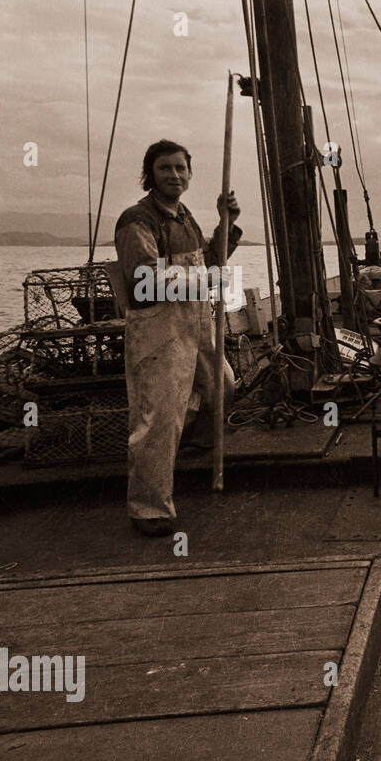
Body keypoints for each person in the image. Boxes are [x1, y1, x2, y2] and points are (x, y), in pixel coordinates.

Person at [114, 139, 241, 538]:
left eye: (181, 168)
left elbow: (213, 261)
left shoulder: (184, 217)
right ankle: (149, 507)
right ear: (150, 174)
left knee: (222, 385)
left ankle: (195, 448)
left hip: (195, 322)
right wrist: (208, 279)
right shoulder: (137, 219)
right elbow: (145, 279)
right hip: (158, 329)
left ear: (190, 173)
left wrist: (226, 223)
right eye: (165, 168)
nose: (174, 175)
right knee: (159, 418)